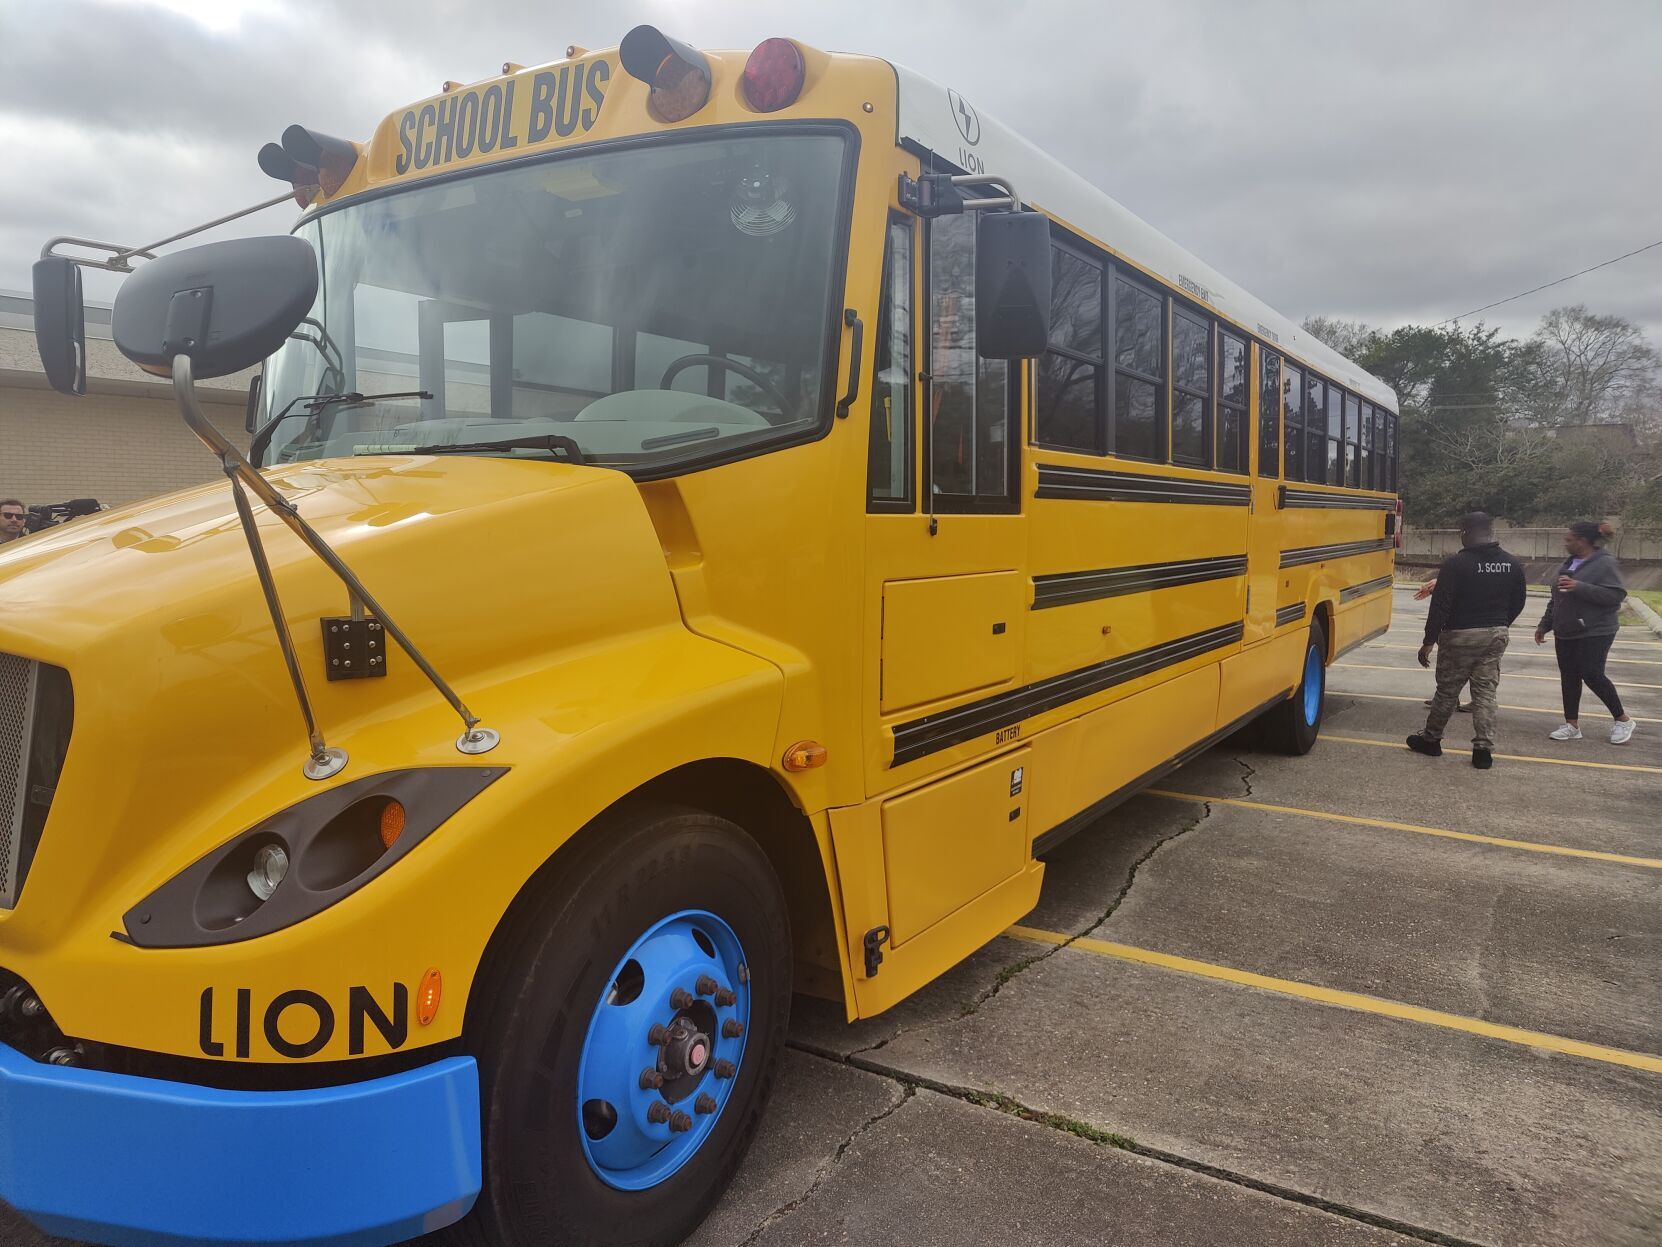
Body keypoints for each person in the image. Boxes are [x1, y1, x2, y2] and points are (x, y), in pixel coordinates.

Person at [1407, 512, 1527, 768]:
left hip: (1459, 635)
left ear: (1465, 533)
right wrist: (1501, 622)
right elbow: (1519, 601)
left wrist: (1428, 641)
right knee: (1485, 693)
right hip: (1495, 634)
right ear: (1491, 532)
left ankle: (1431, 740)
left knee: (1447, 692)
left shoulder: (1455, 565)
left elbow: (1440, 606)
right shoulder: (1511, 564)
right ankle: (1482, 751)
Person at [1536, 520, 1635, 745]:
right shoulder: (1570, 564)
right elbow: (1557, 598)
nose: (1565, 543)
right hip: (1567, 630)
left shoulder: (1604, 563)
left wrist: (1579, 587)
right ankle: (1572, 725)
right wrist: (1545, 625)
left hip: (1596, 629)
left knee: (1592, 673)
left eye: (1569, 540)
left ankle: (1622, 719)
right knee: (1569, 677)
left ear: (1582, 541)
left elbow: (1615, 596)